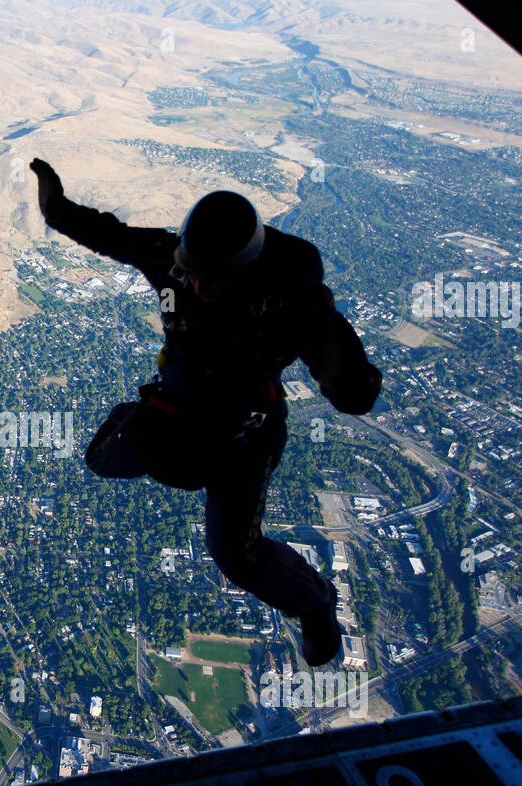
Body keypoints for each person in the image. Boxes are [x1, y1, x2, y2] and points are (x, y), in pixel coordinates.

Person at [30, 157, 383, 666]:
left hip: (245, 433)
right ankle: (138, 414)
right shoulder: (177, 263)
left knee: (236, 557)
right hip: (175, 411)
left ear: (246, 274)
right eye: (191, 276)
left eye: (211, 283)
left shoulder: (289, 303)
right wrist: (56, 207)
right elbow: (112, 236)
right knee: (100, 459)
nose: (195, 288)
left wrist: (339, 364)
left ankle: (316, 602)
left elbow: (354, 391)